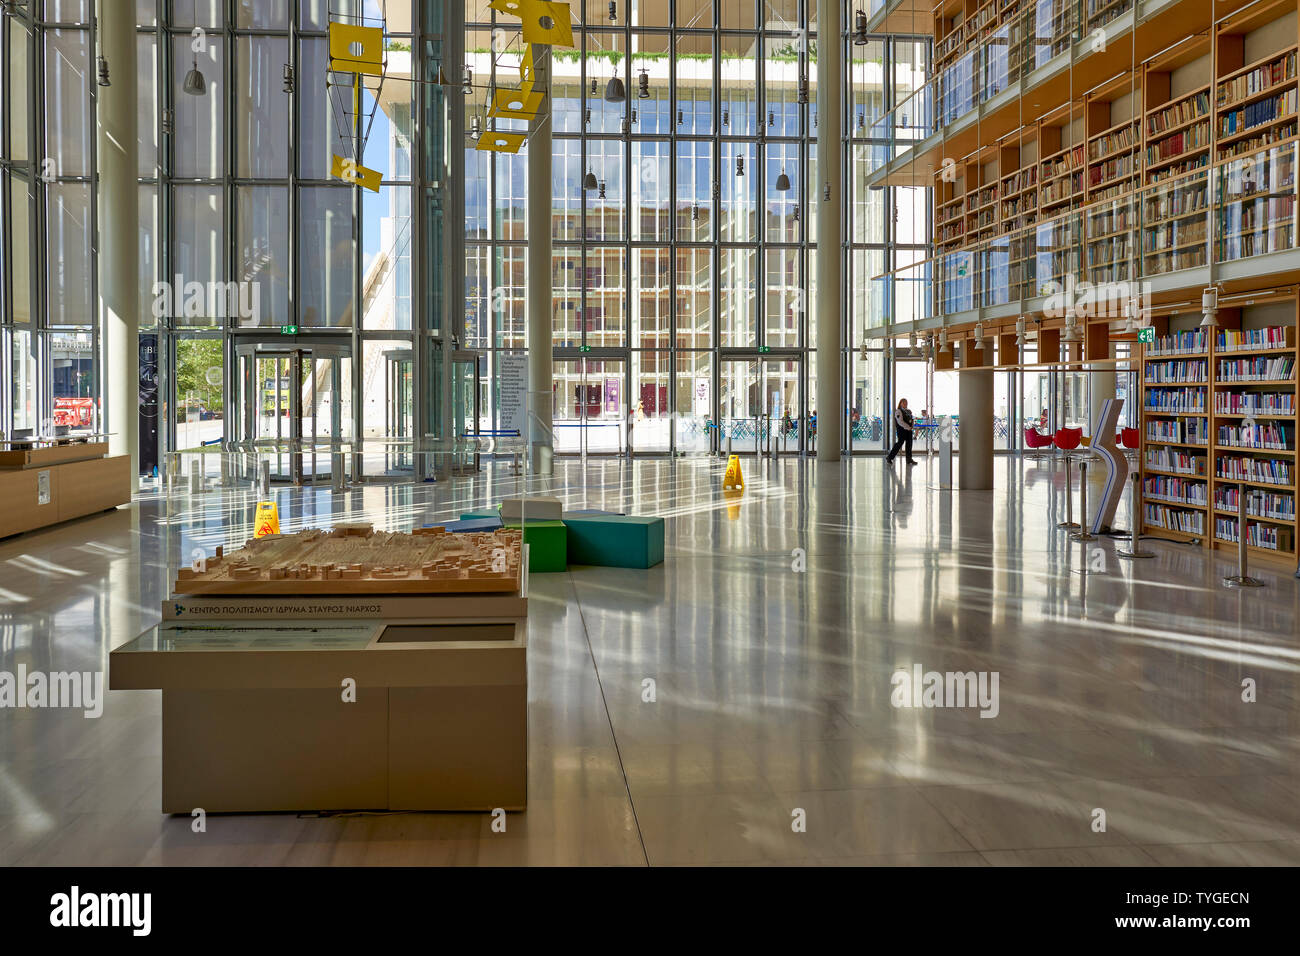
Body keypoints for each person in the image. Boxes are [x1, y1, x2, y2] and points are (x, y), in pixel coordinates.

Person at [886, 398, 918, 465]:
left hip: (909, 430)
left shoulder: (908, 411)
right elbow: (900, 422)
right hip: (902, 430)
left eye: (906, 403)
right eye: (904, 403)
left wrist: (912, 426)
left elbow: (911, 419)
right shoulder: (898, 411)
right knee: (899, 443)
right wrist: (908, 427)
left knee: (909, 444)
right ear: (900, 403)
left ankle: (909, 459)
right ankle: (889, 457)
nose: (905, 404)